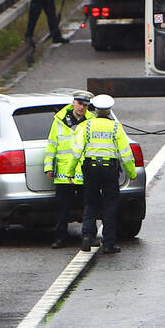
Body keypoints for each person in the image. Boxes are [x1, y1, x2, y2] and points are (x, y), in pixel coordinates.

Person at [70, 93, 136, 254]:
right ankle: (109, 243)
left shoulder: (85, 126)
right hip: (109, 169)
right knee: (110, 205)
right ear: (109, 110)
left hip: (90, 168)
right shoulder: (115, 128)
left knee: (90, 203)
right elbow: (126, 154)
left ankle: (87, 237)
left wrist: (70, 172)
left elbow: (76, 151)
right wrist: (132, 174)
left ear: (95, 109)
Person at [44, 91, 94, 249]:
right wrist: (48, 166)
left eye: (85, 105)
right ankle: (60, 238)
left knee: (88, 206)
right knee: (63, 208)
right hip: (64, 173)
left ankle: (88, 236)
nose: (82, 107)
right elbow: (52, 144)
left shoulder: (91, 121)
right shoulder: (59, 120)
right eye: (80, 103)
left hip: (84, 172)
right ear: (73, 102)